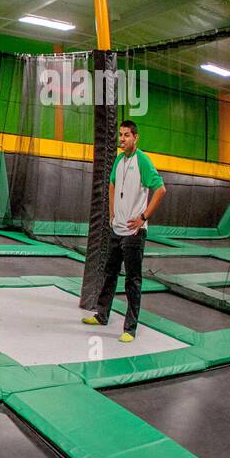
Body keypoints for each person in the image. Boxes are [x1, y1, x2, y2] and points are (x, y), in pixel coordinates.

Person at [83, 120, 166, 342]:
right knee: (109, 274)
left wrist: (143, 217)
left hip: (133, 234)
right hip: (117, 230)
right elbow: (111, 185)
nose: (122, 139)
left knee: (132, 280)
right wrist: (112, 213)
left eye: (126, 135)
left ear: (135, 137)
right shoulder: (119, 160)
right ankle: (102, 315)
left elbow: (160, 189)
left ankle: (129, 328)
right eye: (120, 135)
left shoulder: (143, 161)